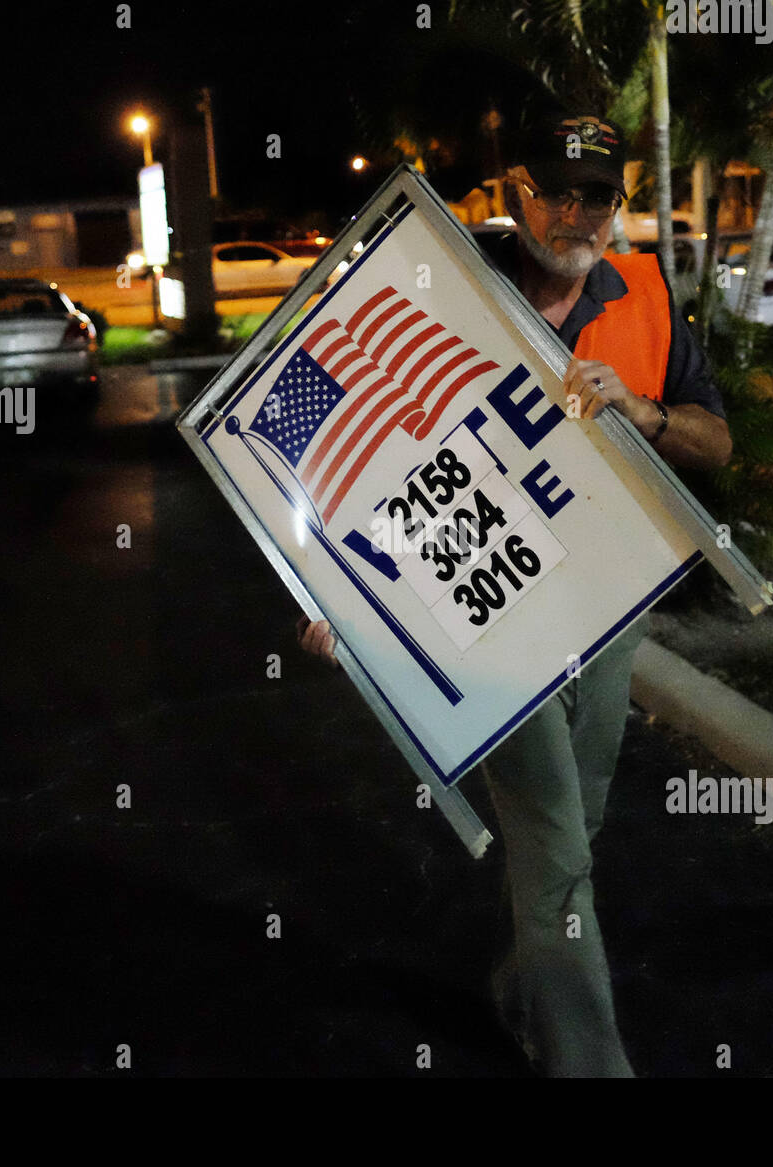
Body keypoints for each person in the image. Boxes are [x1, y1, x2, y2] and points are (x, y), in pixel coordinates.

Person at [299, 112, 731, 1076]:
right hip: (480, 608)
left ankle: (518, 986)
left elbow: (717, 439)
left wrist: (648, 413)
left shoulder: (649, 293)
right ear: (516, 191)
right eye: (559, 191)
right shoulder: (442, 278)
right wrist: (328, 586)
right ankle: (586, 1060)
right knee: (552, 840)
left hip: (607, 608)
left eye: (599, 198)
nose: (577, 215)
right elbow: (343, 440)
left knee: (580, 823)